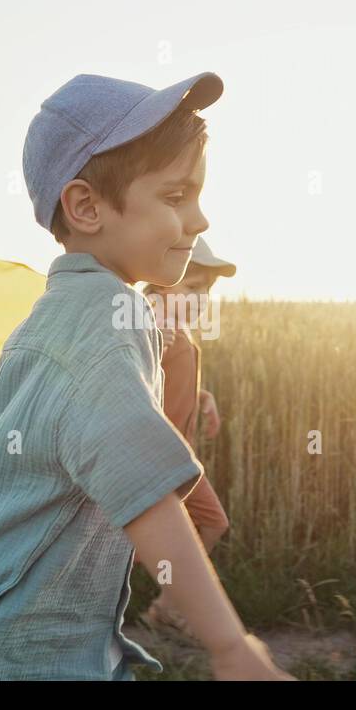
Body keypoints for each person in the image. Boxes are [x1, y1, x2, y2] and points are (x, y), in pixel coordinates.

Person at [0, 72, 291, 680]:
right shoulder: (108, 316)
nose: (201, 219)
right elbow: (144, 490)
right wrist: (231, 648)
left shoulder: (66, 315)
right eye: (177, 197)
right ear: (86, 207)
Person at [137, 237, 236, 641]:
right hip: (165, 457)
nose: (201, 298)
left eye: (207, 290)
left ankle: (162, 606)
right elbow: (134, 381)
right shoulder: (155, 328)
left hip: (176, 455)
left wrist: (203, 397)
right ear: (162, 281)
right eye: (193, 287)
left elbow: (168, 387)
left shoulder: (177, 330)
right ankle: (164, 608)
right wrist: (155, 343)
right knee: (212, 522)